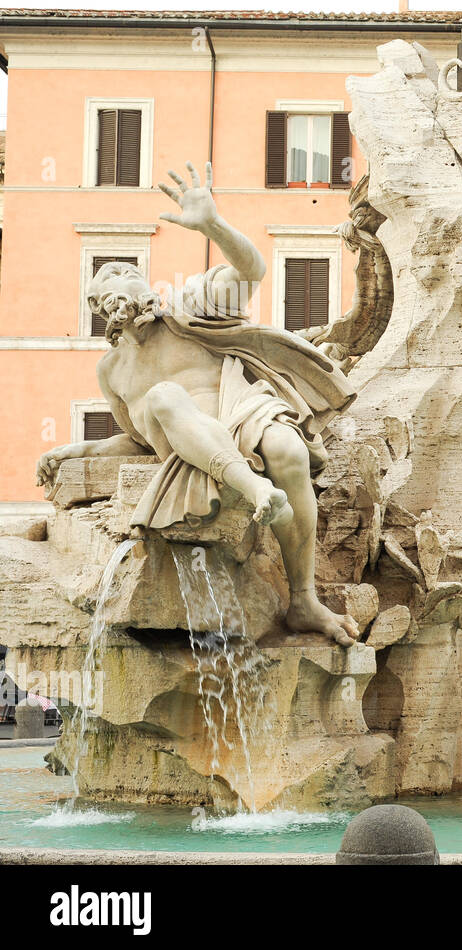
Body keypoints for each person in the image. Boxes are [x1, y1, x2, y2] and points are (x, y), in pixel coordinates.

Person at [35, 162, 359, 646]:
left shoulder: (188, 306)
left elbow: (251, 270)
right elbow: (140, 440)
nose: (126, 278)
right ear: (98, 305)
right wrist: (77, 452)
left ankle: (304, 600)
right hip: (184, 447)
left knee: (289, 453)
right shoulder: (113, 371)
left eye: (131, 271)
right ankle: (256, 492)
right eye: (112, 275)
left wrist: (211, 224)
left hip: (238, 408)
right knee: (166, 396)